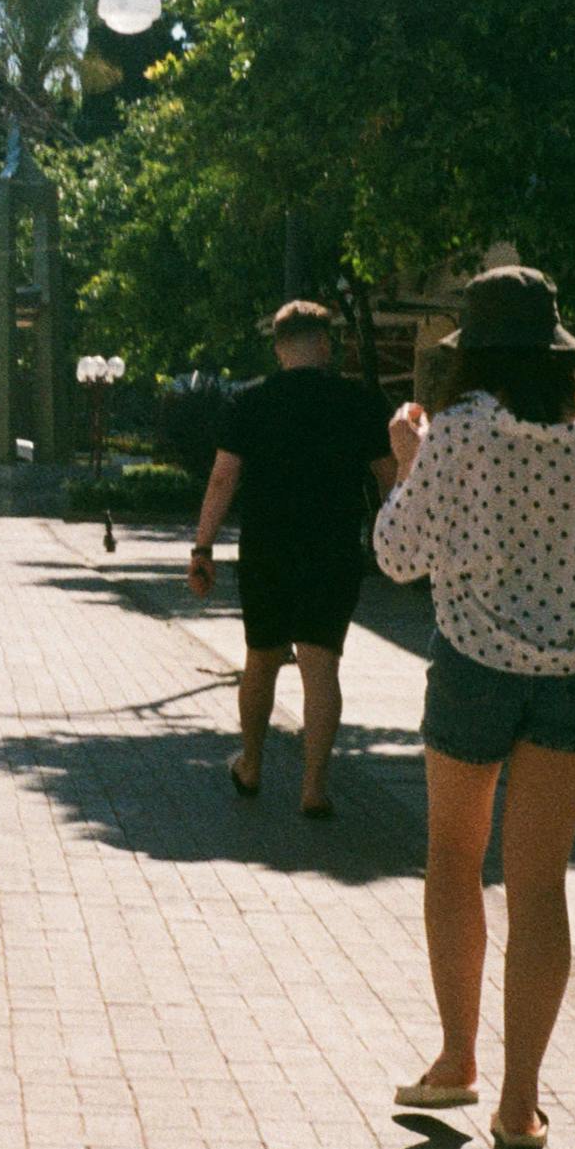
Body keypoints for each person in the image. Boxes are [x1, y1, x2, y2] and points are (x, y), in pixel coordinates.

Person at [371, 265, 575, 1149]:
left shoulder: (453, 434)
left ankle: (457, 1059)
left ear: (475, 353)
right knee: (539, 885)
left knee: (454, 860)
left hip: (471, 668)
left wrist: (409, 460)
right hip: (574, 674)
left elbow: (394, 553)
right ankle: (517, 1102)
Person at [187, 301, 399, 819]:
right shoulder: (359, 403)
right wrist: (394, 541)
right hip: (333, 550)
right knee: (321, 666)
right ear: (325, 345)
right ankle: (314, 787)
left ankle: (252, 765)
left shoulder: (247, 403)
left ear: (279, 348)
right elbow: (390, 478)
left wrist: (202, 547)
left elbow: (222, 478)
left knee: (261, 659)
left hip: (267, 549)